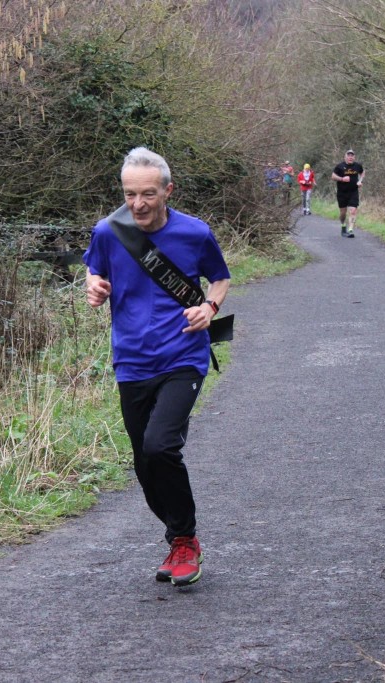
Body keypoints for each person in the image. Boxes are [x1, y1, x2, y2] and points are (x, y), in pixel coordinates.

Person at [83, 147, 231, 587]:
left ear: (168, 191)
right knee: (144, 462)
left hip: (183, 355)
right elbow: (94, 269)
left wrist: (209, 307)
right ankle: (178, 535)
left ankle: (184, 540)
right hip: (131, 360)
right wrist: (94, 286)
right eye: (129, 194)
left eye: (148, 194)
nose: (138, 204)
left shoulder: (195, 233)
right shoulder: (109, 232)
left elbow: (220, 277)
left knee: (160, 445)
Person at [331, 149, 364, 237]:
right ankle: (343, 225)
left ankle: (350, 230)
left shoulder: (357, 166)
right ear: (345, 157)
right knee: (343, 213)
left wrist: (360, 181)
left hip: (353, 192)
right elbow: (333, 176)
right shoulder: (340, 166)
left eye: (352, 156)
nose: (350, 157)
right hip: (342, 193)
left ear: (354, 157)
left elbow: (362, 172)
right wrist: (342, 179)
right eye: (348, 155)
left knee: (353, 210)